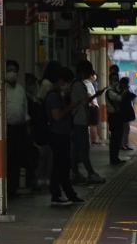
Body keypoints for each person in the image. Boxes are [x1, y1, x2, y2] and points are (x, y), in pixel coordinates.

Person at [43, 67, 82, 206]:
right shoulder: (54, 96)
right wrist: (70, 107)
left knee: (63, 165)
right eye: (65, 82)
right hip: (58, 134)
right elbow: (57, 116)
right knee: (60, 165)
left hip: (62, 133)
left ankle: (68, 194)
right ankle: (57, 194)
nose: (66, 85)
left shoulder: (57, 95)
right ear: (59, 81)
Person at [70, 60, 105, 185]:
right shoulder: (79, 85)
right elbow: (83, 102)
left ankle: (75, 172)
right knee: (84, 148)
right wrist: (94, 97)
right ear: (84, 71)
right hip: (80, 120)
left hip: (78, 120)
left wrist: (95, 95)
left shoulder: (76, 84)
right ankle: (90, 173)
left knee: (76, 149)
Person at [5, 59, 37, 194]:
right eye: (9, 71)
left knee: (17, 158)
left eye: (14, 71)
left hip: (19, 128)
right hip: (5, 129)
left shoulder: (20, 90)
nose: (12, 74)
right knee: (7, 157)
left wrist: (27, 126)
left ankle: (14, 186)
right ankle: (5, 186)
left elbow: (25, 111)